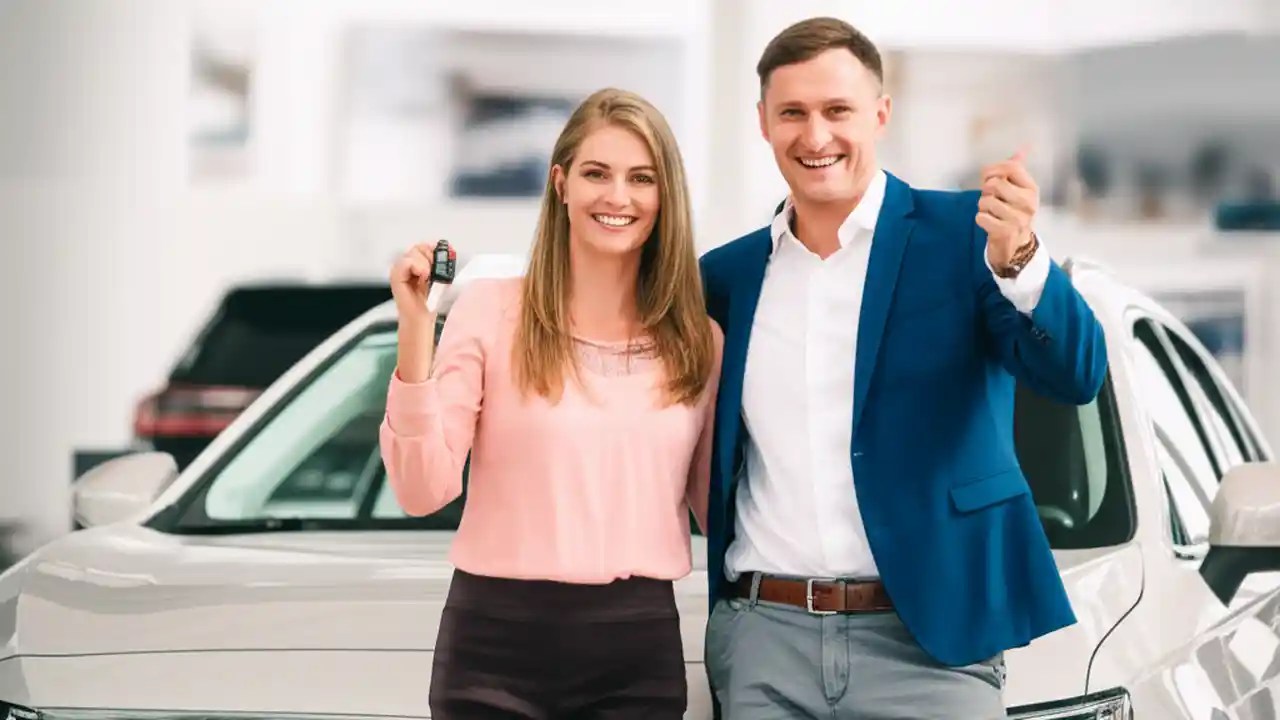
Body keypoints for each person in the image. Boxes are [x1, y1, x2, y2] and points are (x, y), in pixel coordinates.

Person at [698, 17, 1108, 719]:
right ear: (762, 122)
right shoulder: (727, 277)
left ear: (880, 115)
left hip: (930, 646)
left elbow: (1074, 374)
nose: (815, 135)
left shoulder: (966, 238)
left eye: (838, 111)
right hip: (765, 642)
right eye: (792, 112)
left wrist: (1021, 261)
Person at [380, 87, 722, 719]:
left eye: (640, 178)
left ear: (664, 195)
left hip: (636, 650)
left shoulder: (697, 343)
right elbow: (420, 490)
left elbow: (723, 511)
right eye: (597, 173)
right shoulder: (489, 310)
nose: (617, 197)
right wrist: (414, 328)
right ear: (560, 183)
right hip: (493, 645)